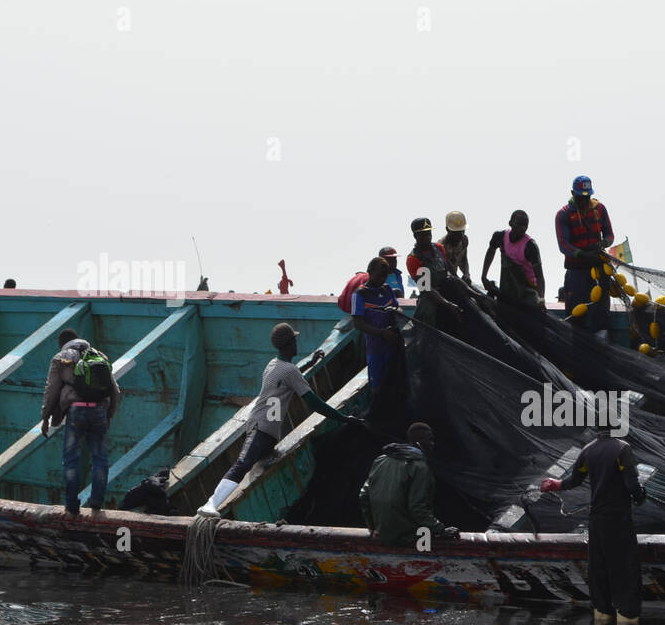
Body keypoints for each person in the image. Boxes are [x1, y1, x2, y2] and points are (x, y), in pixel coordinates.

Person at [197, 323, 361, 516]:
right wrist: (343, 418)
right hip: (262, 427)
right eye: (295, 341)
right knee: (243, 463)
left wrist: (311, 363)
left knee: (248, 462)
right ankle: (211, 504)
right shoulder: (289, 372)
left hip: (265, 429)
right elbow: (314, 403)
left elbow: (291, 374)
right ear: (290, 344)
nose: (296, 344)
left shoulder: (274, 365)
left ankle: (213, 503)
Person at [540, 423, 646, 625]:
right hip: (618, 520)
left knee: (599, 569)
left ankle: (602, 622)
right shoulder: (622, 448)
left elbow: (574, 480)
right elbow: (632, 485)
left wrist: (554, 484)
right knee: (625, 568)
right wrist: (640, 495)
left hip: (596, 521)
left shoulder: (588, 450)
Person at [40, 328, 121, 515]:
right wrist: (109, 415)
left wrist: (46, 418)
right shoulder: (99, 356)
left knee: (71, 460)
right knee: (100, 458)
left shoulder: (60, 358)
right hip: (99, 410)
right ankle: (96, 502)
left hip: (76, 411)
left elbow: (51, 390)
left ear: (62, 343)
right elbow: (115, 391)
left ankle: (72, 505)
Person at [359, 422, 460, 544]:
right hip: (408, 536)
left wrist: (373, 528)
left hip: (381, 534)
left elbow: (364, 496)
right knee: (427, 542)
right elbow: (417, 508)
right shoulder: (420, 467)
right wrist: (441, 530)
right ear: (419, 443)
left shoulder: (380, 460)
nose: (432, 444)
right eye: (430, 440)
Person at [555, 175, 615, 339]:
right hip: (576, 271)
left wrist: (603, 243)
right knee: (576, 313)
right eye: (580, 197)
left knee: (600, 309)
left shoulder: (600, 209)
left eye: (586, 197)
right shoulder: (564, 214)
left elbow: (610, 235)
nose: (583, 201)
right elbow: (563, 245)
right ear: (572, 193)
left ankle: (602, 340)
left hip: (597, 268)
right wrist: (582, 254)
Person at [348, 257, 402, 398]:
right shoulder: (360, 294)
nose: (382, 279)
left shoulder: (387, 289)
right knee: (377, 386)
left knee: (394, 382)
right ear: (370, 272)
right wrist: (382, 333)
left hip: (392, 344)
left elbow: (396, 310)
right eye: (379, 275)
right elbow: (358, 323)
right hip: (375, 347)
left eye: (385, 276)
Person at [406, 217, 465, 334]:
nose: (427, 237)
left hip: (447, 290)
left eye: (429, 233)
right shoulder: (413, 259)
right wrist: (448, 305)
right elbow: (427, 289)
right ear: (415, 236)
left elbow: (451, 272)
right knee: (429, 324)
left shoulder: (439, 248)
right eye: (423, 234)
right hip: (431, 299)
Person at [481, 210, 545, 308]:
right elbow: (490, 252)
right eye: (519, 224)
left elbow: (539, 276)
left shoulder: (530, 246)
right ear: (511, 223)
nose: (523, 228)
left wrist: (541, 299)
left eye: (525, 225)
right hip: (508, 289)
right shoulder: (500, 237)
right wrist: (484, 277)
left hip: (527, 290)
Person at [440, 212, 472, 286]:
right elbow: (448, 270)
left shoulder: (464, 240)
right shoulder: (442, 247)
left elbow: (463, 260)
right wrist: (461, 283)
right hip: (444, 283)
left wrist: (466, 274)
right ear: (447, 229)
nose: (460, 235)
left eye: (462, 231)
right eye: (456, 232)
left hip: (455, 280)